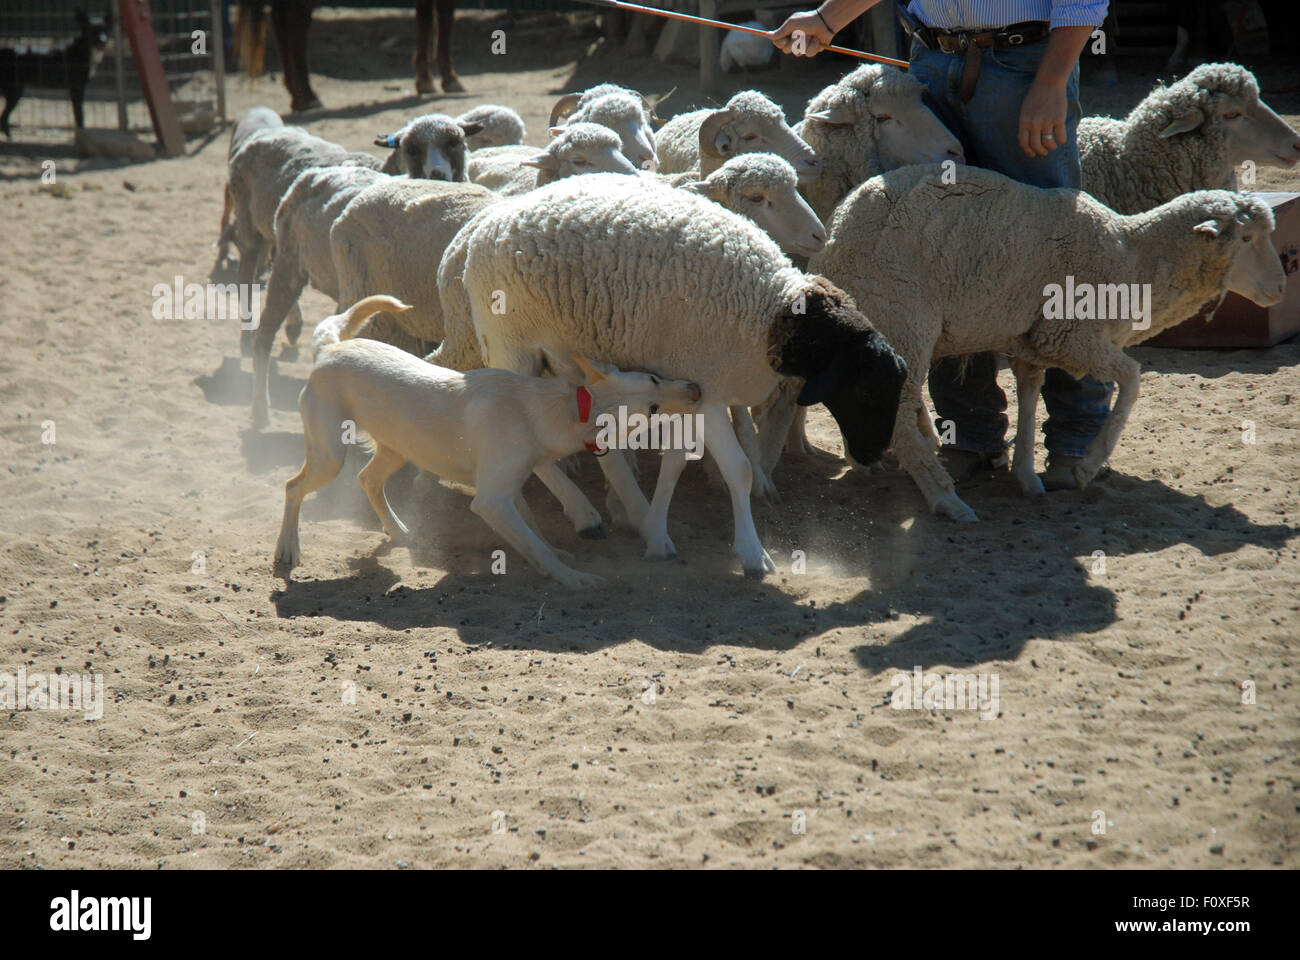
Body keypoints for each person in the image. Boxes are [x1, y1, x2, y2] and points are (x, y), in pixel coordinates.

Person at [773, 1, 1113, 490]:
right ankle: (971, 435)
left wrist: (1052, 81)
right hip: (931, 64)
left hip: (1023, 64)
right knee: (939, 256)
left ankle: (1078, 436)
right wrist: (825, 21)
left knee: (1056, 243)